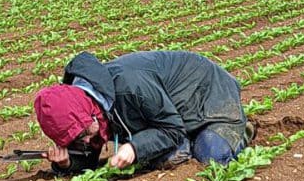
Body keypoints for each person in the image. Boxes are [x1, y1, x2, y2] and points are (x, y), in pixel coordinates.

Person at [33, 50, 255, 173]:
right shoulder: (89, 110)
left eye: (82, 134)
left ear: (89, 112)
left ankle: (242, 130)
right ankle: (189, 139)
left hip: (208, 95)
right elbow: (89, 157)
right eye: (76, 139)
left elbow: (171, 128)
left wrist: (134, 147)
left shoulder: (131, 86)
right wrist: (66, 163)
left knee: (212, 156)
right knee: (170, 156)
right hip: (171, 114)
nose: (86, 141)